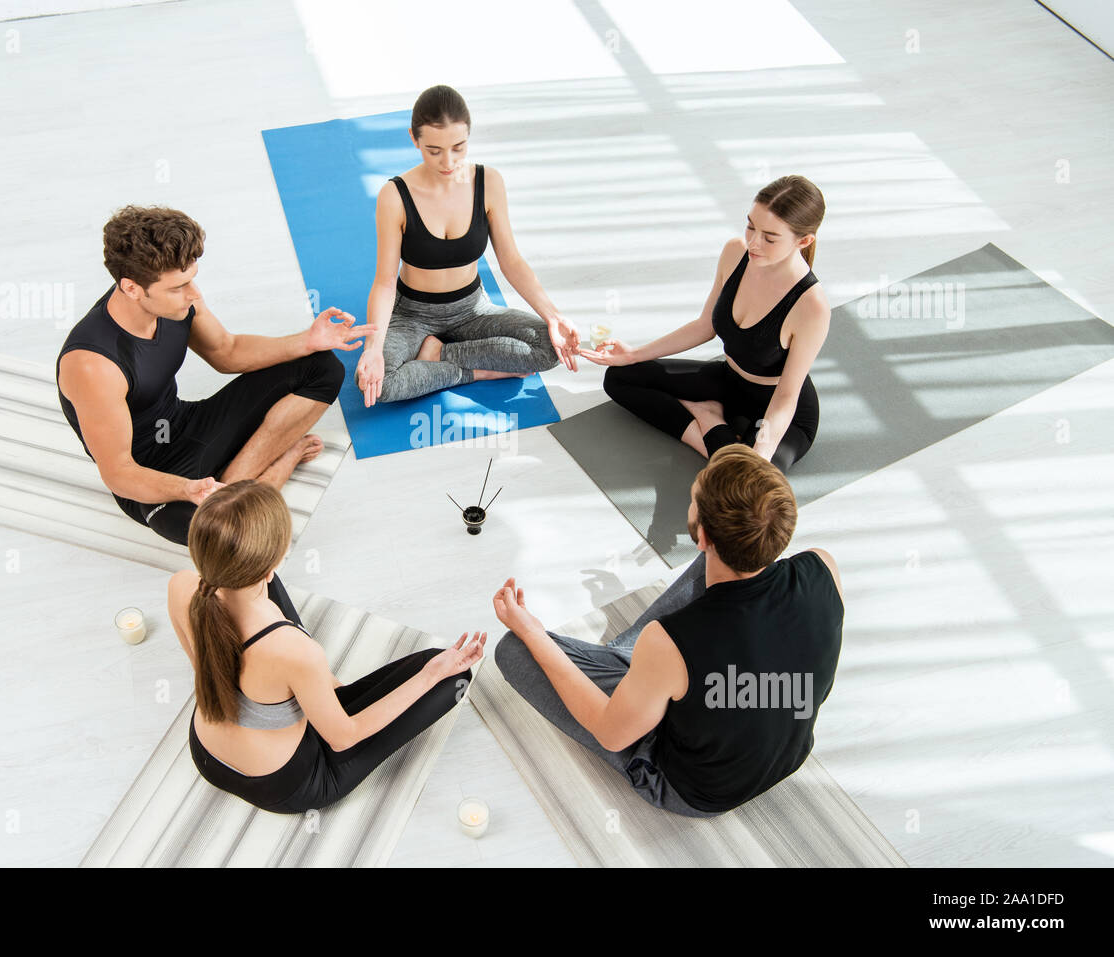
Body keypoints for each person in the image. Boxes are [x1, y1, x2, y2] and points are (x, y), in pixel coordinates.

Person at [491, 444, 844, 816]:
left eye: (693, 499)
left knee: (514, 648)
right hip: (783, 756)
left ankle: (640, 677)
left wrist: (531, 632)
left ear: (702, 533)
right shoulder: (823, 566)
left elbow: (610, 734)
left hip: (692, 790)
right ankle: (644, 678)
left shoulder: (667, 643)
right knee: (710, 568)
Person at [57, 205, 365, 548]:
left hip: (188, 425)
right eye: (178, 287)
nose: (193, 295)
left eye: (192, 278)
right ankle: (279, 461)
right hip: (152, 475)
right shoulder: (92, 363)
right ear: (131, 288)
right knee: (223, 538)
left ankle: (231, 488)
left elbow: (227, 352)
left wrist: (307, 340)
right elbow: (119, 472)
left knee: (322, 368)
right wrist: (188, 489)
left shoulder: (177, 302)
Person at [168, 480, 484, 813]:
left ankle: (321, 695)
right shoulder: (295, 651)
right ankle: (327, 696)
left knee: (277, 616)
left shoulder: (182, 588)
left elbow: (211, 666)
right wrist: (430, 675)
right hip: (284, 785)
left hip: (206, 755)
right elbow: (344, 737)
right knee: (452, 676)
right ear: (271, 563)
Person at [580, 175, 829, 472]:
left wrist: (759, 454)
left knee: (748, 476)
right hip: (728, 381)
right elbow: (704, 326)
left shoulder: (811, 305)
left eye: (769, 237)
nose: (753, 242)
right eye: (750, 226)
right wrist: (632, 354)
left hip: (778, 409)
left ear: (803, 241)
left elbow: (787, 396)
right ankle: (713, 428)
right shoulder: (736, 253)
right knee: (620, 377)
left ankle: (711, 421)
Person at [354, 84, 579, 406]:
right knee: (375, 383)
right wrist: (373, 349)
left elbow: (511, 261)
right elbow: (385, 281)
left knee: (550, 346)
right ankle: (475, 371)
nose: (448, 161)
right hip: (413, 314)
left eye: (458, 147)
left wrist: (554, 316)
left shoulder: (489, 183)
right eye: (434, 150)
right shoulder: (395, 195)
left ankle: (439, 353)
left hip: (473, 309)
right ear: (413, 139)